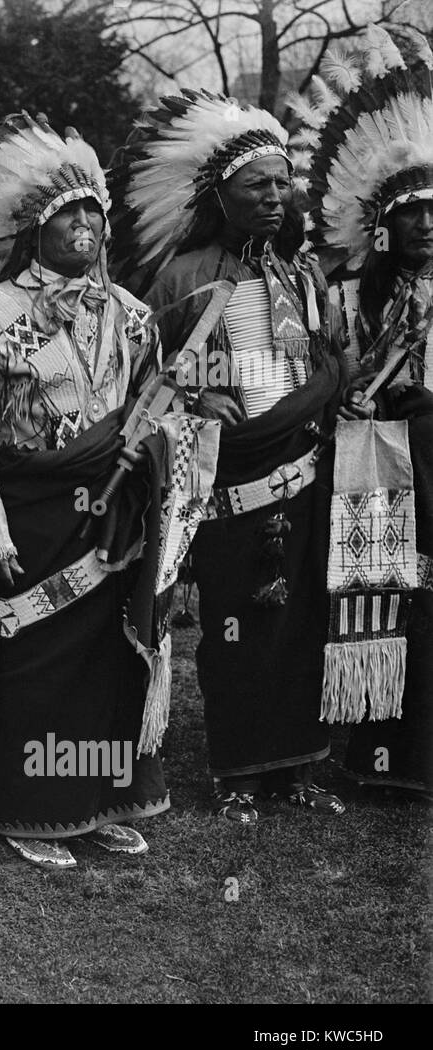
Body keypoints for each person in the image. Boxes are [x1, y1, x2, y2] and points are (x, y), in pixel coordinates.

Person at [111, 89, 347, 823]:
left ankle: (298, 768)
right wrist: (194, 403)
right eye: (257, 186)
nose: (275, 198)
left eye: (282, 183)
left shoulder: (299, 276)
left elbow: (329, 362)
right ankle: (239, 771)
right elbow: (145, 383)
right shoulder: (183, 279)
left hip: (303, 477)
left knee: (303, 620)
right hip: (228, 481)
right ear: (222, 195)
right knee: (237, 630)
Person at [0, 113, 178, 869]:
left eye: (94, 211)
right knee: (39, 662)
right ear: (33, 228)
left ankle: (98, 801)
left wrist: (149, 460)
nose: (84, 223)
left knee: (107, 663)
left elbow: (157, 415)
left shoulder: (134, 316)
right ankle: (34, 811)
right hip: (34, 516)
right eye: (67, 211)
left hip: (114, 514)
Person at [294, 25, 433, 796]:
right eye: (413, 212)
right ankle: (372, 751)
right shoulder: (346, 296)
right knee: (381, 598)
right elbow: (330, 371)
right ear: (383, 222)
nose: (428, 223)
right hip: (368, 459)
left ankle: (418, 756)